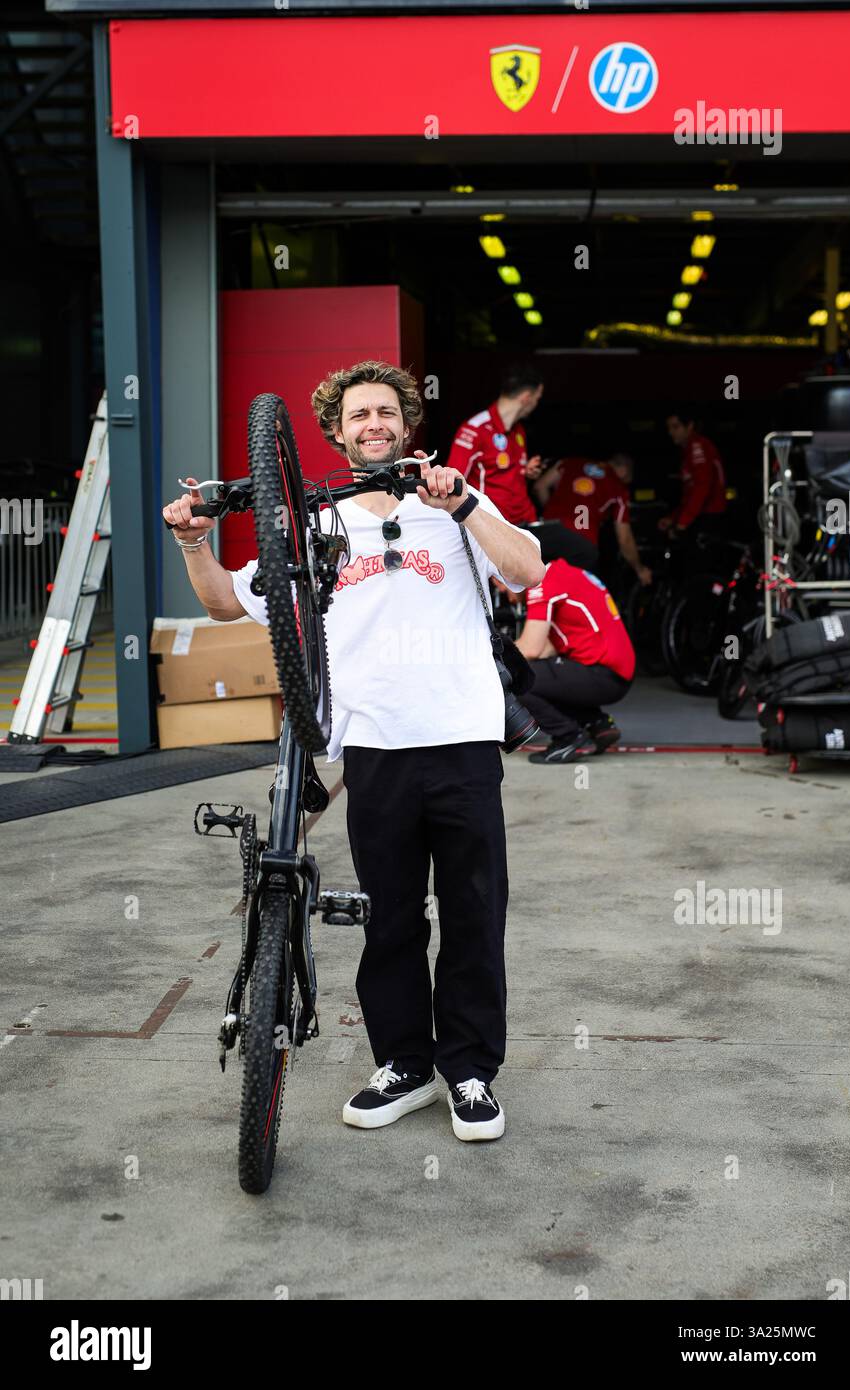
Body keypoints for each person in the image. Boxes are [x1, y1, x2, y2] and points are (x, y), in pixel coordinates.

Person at [162, 360, 543, 1143]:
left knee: (474, 912)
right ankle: (403, 1063)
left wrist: (466, 501)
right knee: (391, 917)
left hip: (463, 738)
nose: (374, 424)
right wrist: (195, 543)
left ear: (408, 427)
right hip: (372, 744)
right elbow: (225, 602)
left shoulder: (453, 507)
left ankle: (469, 1072)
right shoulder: (317, 522)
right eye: (358, 415)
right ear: (336, 433)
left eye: (387, 412)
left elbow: (527, 569)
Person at [514, 527, 635, 764]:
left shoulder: (543, 582)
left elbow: (530, 649)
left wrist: (487, 658)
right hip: (613, 673)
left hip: (604, 674)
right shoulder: (566, 573)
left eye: (497, 579)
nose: (499, 588)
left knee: (518, 677)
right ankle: (597, 723)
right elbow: (546, 649)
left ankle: (567, 737)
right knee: (543, 671)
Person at [533, 447, 652, 587]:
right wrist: (639, 569)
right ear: (624, 470)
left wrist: (555, 514)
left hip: (547, 532)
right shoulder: (619, 488)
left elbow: (539, 486)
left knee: (537, 585)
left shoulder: (569, 462)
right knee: (576, 594)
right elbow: (624, 538)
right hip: (581, 543)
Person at [446, 362, 545, 525]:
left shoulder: (519, 430)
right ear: (527, 398)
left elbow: (504, 474)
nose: (536, 404)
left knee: (577, 549)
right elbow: (452, 484)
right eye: (537, 398)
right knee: (584, 550)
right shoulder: (474, 429)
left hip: (527, 522)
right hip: (495, 526)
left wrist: (526, 472)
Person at [660, 409, 727, 539]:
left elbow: (701, 488)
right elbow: (689, 495)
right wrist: (674, 518)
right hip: (701, 515)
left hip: (709, 516)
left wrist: (682, 522)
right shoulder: (688, 450)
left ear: (689, 426)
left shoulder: (698, 447)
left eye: (675, 427)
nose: (670, 432)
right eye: (669, 428)